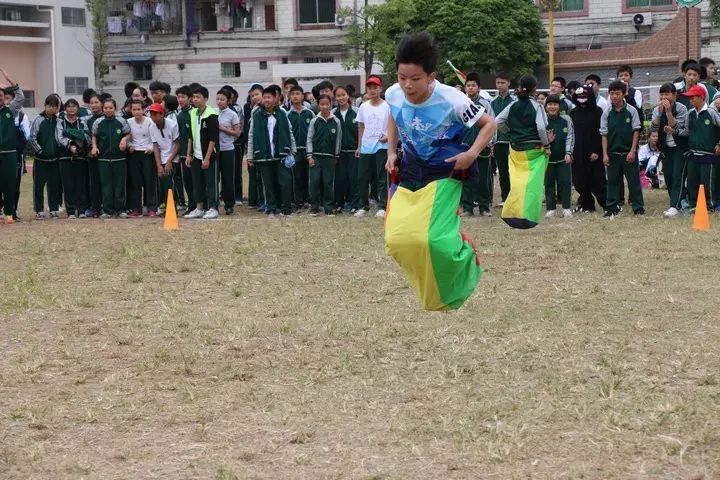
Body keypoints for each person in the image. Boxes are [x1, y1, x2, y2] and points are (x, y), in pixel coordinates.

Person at [383, 32, 495, 311]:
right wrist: (391, 152)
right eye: (401, 77)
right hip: (411, 167)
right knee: (396, 239)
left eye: (415, 79)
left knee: (432, 240)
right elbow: (394, 116)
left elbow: (489, 124)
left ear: (431, 76)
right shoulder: (393, 94)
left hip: (446, 167)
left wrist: (471, 154)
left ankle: (464, 250)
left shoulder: (452, 99)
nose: (407, 85)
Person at [495, 75, 550, 228]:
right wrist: (546, 144)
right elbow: (541, 127)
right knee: (532, 184)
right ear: (535, 89)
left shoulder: (513, 105)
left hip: (515, 149)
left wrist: (509, 133)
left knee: (517, 182)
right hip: (533, 149)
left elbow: (497, 121)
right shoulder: (537, 106)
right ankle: (527, 216)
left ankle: (511, 212)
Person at [246, 85, 294, 218]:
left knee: (284, 182)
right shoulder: (256, 114)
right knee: (268, 184)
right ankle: (271, 208)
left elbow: (289, 132)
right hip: (263, 154)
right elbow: (251, 135)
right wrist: (250, 155)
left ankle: (286, 208)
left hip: (281, 154)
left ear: (275, 99)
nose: (266, 100)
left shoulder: (282, 113)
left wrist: (292, 151)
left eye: (269, 97)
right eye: (265, 97)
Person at [600, 80, 644, 217]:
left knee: (634, 182)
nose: (614, 96)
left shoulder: (632, 111)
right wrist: (605, 154)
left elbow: (636, 131)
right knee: (612, 182)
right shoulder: (606, 113)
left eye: (617, 93)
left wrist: (632, 151)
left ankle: (638, 208)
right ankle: (612, 207)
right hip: (612, 153)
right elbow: (604, 134)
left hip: (628, 153)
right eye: (612, 94)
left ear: (623, 94)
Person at [650, 83, 688, 217]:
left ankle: (674, 206)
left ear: (674, 95)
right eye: (662, 94)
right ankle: (678, 203)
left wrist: (668, 112)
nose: (664, 97)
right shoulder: (657, 109)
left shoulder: (682, 108)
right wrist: (660, 114)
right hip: (665, 148)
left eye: (667, 94)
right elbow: (653, 127)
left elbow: (678, 126)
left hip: (679, 147)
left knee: (678, 176)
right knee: (669, 177)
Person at [355, 75, 390, 218]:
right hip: (366, 147)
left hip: (382, 146)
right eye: (369, 88)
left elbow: (394, 125)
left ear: (380, 88)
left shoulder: (387, 106)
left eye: (375, 87)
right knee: (362, 177)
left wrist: (388, 136)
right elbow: (361, 127)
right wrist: (359, 146)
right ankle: (364, 205)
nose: (372, 90)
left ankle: (382, 206)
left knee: (382, 177)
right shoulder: (363, 106)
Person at [91, 98, 131, 218]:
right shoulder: (98, 122)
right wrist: (94, 147)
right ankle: (107, 210)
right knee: (106, 185)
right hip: (103, 159)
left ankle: (120, 209)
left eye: (111, 108)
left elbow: (128, 133)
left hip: (119, 159)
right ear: (103, 109)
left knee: (120, 185)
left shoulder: (121, 121)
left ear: (115, 108)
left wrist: (124, 139)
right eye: (106, 108)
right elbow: (94, 135)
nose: (108, 110)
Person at [185, 85, 220, 220]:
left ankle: (213, 208)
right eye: (193, 97)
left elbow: (213, 139)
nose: (195, 99)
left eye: (198, 97)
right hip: (196, 155)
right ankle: (199, 208)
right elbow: (190, 136)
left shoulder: (211, 115)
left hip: (209, 156)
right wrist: (189, 154)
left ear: (205, 98)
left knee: (211, 182)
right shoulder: (192, 113)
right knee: (197, 182)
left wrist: (207, 158)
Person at [683, 85, 720, 212]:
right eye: (689, 98)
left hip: (708, 155)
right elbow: (686, 131)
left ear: (701, 97)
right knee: (692, 182)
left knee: (707, 182)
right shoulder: (690, 113)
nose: (690, 101)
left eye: (693, 98)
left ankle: (710, 206)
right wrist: (675, 130)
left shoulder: (711, 112)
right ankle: (694, 205)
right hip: (693, 154)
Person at [461, 72, 494, 217]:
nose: (470, 88)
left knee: (483, 179)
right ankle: (467, 208)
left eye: (473, 85)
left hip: (483, 146)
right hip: (465, 146)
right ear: (465, 88)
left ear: (479, 88)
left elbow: (492, 123)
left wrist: (490, 142)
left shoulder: (485, 104)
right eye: (468, 85)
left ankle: (484, 207)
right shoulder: (461, 103)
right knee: (467, 178)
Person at [569, 84, 606, 213]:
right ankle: (587, 205)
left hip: (595, 153)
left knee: (598, 182)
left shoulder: (598, 111)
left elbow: (601, 133)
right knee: (579, 182)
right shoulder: (573, 113)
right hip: (577, 153)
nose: (582, 98)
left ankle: (607, 205)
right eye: (579, 96)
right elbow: (570, 134)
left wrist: (597, 150)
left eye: (584, 96)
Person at [307, 94, 342, 216]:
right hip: (315, 156)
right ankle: (314, 207)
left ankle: (328, 207)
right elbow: (309, 138)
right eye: (322, 104)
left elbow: (338, 139)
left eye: (327, 104)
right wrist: (310, 156)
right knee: (314, 182)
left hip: (329, 157)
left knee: (328, 182)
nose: (325, 107)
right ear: (318, 105)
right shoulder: (314, 121)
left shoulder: (336, 121)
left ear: (331, 105)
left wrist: (336, 155)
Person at [56, 99, 91, 218]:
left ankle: (81, 210)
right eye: (69, 106)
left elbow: (86, 136)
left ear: (78, 108)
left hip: (80, 156)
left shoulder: (82, 121)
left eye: (74, 106)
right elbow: (59, 137)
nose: (71, 109)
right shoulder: (60, 122)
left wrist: (70, 133)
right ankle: (71, 211)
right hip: (65, 156)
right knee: (68, 185)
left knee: (81, 184)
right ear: (65, 109)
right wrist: (71, 144)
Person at [29, 95, 61, 219]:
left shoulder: (58, 121)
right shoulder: (38, 120)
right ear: (45, 106)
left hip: (54, 160)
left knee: (54, 186)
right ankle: (39, 210)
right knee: (38, 186)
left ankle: (53, 209)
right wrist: (40, 151)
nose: (52, 109)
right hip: (41, 160)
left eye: (54, 106)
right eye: (49, 106)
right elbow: (32, 138)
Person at [543, 94, 574, 218]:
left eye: (555, 104)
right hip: (547, 158)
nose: (552, 107)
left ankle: (566, 208)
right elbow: (538, 137)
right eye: (550, 104)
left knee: (565, 183)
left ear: (559, 106)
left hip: (563, 158)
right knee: (549, 183)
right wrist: (547, 142)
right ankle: (551, 209)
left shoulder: (566, 119)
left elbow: (570, 136)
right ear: (545, 107)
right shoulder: (542, 120)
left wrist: (568, 153)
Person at [127, 99, 158, 217]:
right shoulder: (128, 122)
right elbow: (127, 137)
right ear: (131, 110)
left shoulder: (150, 121)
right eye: (134, 109)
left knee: (149, 181)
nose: (136, 112)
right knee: (135, 182)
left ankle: (152, 208)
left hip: (147, 154)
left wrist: (151, 148)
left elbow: (154, 137)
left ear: (143, 110)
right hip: (134, 153)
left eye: (139, 109)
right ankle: (136, 208)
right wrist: (129, 146)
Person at [148, 103, 179, 215]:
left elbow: (177, 144)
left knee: (169, 182)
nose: (153, 116)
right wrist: (159, 165)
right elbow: (155, 146)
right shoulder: (151, 127)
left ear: (162, 114)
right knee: (162, 181)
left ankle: (173, 207)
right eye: (151, 114)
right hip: (161, 157)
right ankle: (166, 206)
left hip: (173, 156)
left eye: (155, 114)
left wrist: (170, 161)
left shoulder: (172, 125)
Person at [286, 85, 314, 210]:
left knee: (308, 176)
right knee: (296, 177)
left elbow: (313, 133)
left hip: (308, 151)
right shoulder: (287, 115)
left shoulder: (310, 113)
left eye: (298, 94)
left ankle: (309, 200)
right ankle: (298, 202)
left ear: (302, 96)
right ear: (289, 97)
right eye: (293, 94)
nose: (295, 96)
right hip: (295, 151)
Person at [332, 85, 358, 213]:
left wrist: (359, 147)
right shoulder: (332, 114)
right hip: (339, 153)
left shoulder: (357, 112)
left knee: (353, 178)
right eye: (338, 96)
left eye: (343, 95)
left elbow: (361, 132)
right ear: (335, 98)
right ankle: (339, 203)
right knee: (339, 179)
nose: (341, 98)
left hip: (354, 151)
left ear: (348, 96)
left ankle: (353, 204)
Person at [491, 71, 515, 207]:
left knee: (515, 172)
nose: (500, 85)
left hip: (513, 142)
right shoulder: (492, 102)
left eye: (502, 83)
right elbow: (491, 123)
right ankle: (505, 199)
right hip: (499, 142)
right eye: (498, 83)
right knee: (503, 172)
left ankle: (516, 198)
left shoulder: (515, 101)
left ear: (509, 83)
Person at [216, 89, 241, 215]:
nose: (219, 102)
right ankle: (213, 203)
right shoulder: (214, 113)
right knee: (215, 178)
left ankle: (229, 204)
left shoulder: (232, 114)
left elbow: (237, 133)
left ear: (228, 100)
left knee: (227, 178)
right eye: (218, 99)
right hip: (215, 150)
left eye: (222, 99)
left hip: (228, 150)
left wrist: (223, 128)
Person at [243, 84, 265, 210]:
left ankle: (268, 201)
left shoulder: (272, 109)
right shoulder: (253, 111)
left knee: (266, 177)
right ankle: (259, 200)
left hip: (267, 150)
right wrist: (249, 151)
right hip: (255, 149)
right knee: (256, 176)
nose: (254, 97)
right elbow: (250, 133)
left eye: (257, 94)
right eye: (252, 96)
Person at [83, 93, 105, 217]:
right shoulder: (87, 120)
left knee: (106, 182)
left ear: (101, 103)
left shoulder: (108, 117)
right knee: (94, 182)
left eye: (96, 102)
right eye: (91, 103)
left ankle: (106, 206)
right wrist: (90, 149)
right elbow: (86, 137)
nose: (94, 105)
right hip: (92, 156)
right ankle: (95, 207)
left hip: (106, 155)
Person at [175, 85, 195, 214]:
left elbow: (191, 136)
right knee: (186, 181)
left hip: (193, 154)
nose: (180, 99)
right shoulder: (180, 114)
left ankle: (197, 205)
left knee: (195, 181)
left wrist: (190, 154)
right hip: (182, 154)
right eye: (178, 97)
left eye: (183, 97)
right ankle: (191, 206)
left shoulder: (193, 113)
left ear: (190, 98)